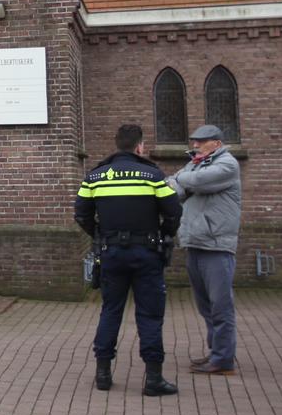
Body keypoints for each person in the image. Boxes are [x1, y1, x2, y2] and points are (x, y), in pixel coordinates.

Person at [75, 123, 183, 397]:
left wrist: (100, 235)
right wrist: (164, 234)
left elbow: (81, 214)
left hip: (111, 254)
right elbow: (174, 211)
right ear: (139, 147)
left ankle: (102, 374)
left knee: (110, 310)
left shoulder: (94, 177)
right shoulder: (153, 175)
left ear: (117, 144)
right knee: (149, 314)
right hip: (147, 254)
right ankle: (154, 379)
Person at [171, 123, 243, 375]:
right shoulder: (195, 164)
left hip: (216, 245)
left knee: (220, 305)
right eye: (194, 141)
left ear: (217, 144)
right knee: (205, 306)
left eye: (201, 141)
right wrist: (185, 180)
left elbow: (198, 181)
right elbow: (173, 187)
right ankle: (217, 352)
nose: (195, 145)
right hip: (194, 242)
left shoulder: (227, 165)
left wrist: (184, 180)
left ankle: (223, 361)